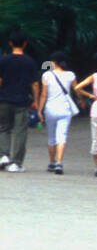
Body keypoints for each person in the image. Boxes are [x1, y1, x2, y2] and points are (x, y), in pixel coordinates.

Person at [0, 30, 39, 172]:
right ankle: (16, 163)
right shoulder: (30, 61)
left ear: (10, 43)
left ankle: (3, 155)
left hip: (3, 99)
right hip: (22, 101)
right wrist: (36, 101)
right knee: (20, 132)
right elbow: (34, 83)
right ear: (24, 43)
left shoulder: (3, 60)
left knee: (3, 128)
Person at [36, 50, 79, 174]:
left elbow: (44, 94)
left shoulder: (47, 75)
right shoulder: (70, 75)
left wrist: (40, 110)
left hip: (50, 109)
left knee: (51, 137)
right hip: (65, 109)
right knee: (62, 136)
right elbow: (76, 90)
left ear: (54, 62)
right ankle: (59, 163)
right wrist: (82, 99)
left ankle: (52, 162)